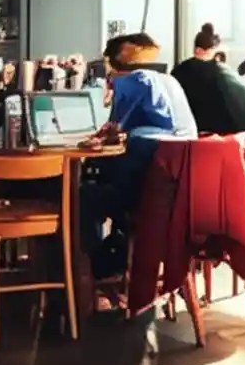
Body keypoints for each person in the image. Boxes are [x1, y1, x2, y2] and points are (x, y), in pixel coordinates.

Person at [83, 33, 197, 276]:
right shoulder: (170, 82)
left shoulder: (135, 81)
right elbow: (158, 126)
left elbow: (115, 128)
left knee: (84, 197)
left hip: (148, 197)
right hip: (185, 197)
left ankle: (91, 273)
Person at [171, 23, 245, 137]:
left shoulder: (179, 72)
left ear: (196, 49)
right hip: (224, 140)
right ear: (214, 49)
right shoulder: (225, 74)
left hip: (188, 138)